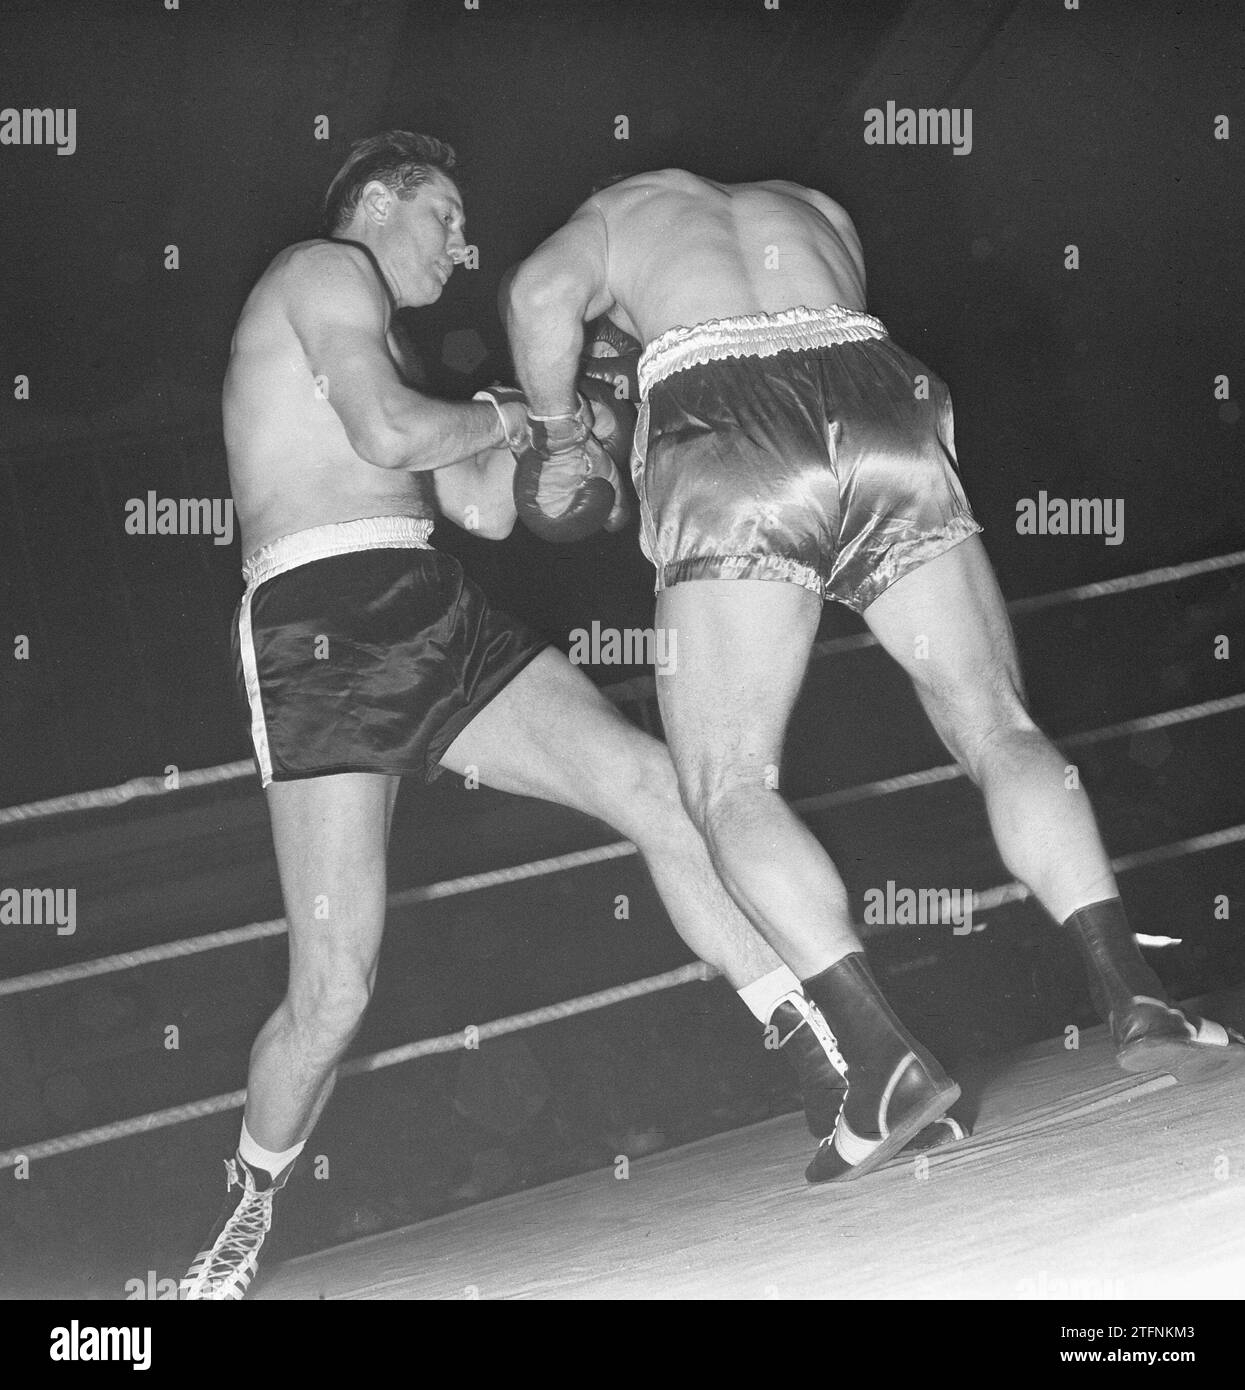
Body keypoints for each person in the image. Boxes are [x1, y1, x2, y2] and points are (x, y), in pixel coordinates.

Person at [179, 133, 922, 1301]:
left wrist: (572, 429)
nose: (465, 242)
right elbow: (385, 437)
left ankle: (831, 1056)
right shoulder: (323, 271)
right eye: (446, 213)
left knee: (662, 789)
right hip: (321, 625)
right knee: (335, 987)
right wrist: (521, 419)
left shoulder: (388, 333)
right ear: (378, 198)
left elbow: (483, 508)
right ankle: (241, 1221)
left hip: (428, 601)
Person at [503, 168, 1245, 1185]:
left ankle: (882, 1061)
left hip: (724, 414)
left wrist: (559, 429)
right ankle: (1136, 990)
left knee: (726, 786)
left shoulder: (614, 214)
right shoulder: (817, 209)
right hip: (880, 388)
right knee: (998, 724)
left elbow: (536, 299)